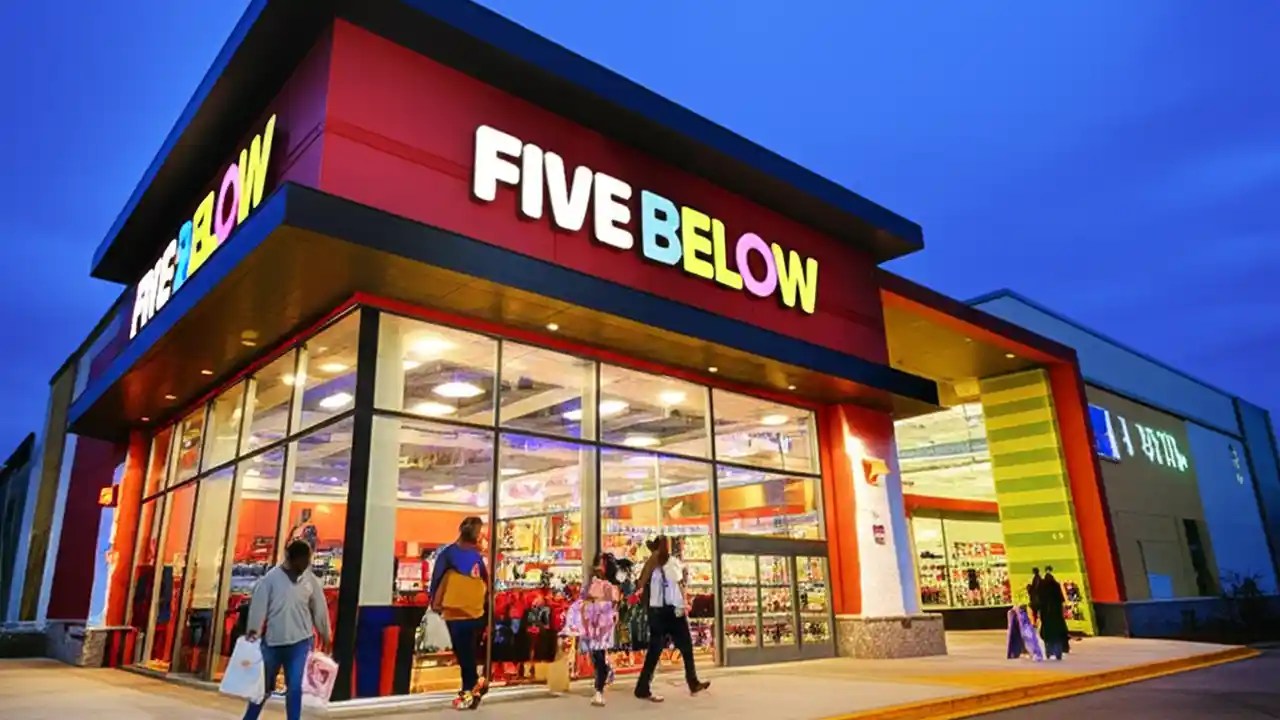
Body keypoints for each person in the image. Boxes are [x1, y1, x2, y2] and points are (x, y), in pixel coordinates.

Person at [241, 539, 332, 720]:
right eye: (302, 561)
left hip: (300, 643)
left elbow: (319, 609)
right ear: (290, 558)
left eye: (307, 561)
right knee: (263, 688)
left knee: (295, 688)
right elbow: (259, 608)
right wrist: (253, 631)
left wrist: (325, 634)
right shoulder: (270, 580)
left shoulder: (310, 581)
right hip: (273, 643)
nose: (305, 565)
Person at [634, 536, 710, 703]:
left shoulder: (654, 564)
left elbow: (640, 584)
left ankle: (643, 687)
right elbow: (678, 585)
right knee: (684, 648)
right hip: (671, 612)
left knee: (656, 651)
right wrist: (683, 605)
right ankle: (692, 682)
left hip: (659, 612)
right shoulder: (669, 563)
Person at [430, 516, 490, 710]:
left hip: (455, 610)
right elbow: (485, 581)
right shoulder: (476, 557)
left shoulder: (448, 554)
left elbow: (437, 578)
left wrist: (435, 602)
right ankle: (473, 688)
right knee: (468, 652)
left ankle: (470, 690)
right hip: (474, 610)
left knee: (464, 653)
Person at [582, 552, 623, 707]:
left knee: (598, 656)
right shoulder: (595, 582)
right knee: (595, 655)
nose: (598, 567)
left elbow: (613, 606)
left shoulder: (611, 586)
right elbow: (587, 601)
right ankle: (605, 672)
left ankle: (599, 690)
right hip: (593, 623)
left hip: (603, 625)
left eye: (601, 563)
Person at [1039, 566, 1069, 661]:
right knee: (1057, 635)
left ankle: (1049, 652)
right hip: (1056, 615)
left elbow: (1039, 601)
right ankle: (1058, 653)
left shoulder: (1042, 587)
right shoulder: (1056, 586)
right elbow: (1061, 599)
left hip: (1046, 615)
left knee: (1048, 636)